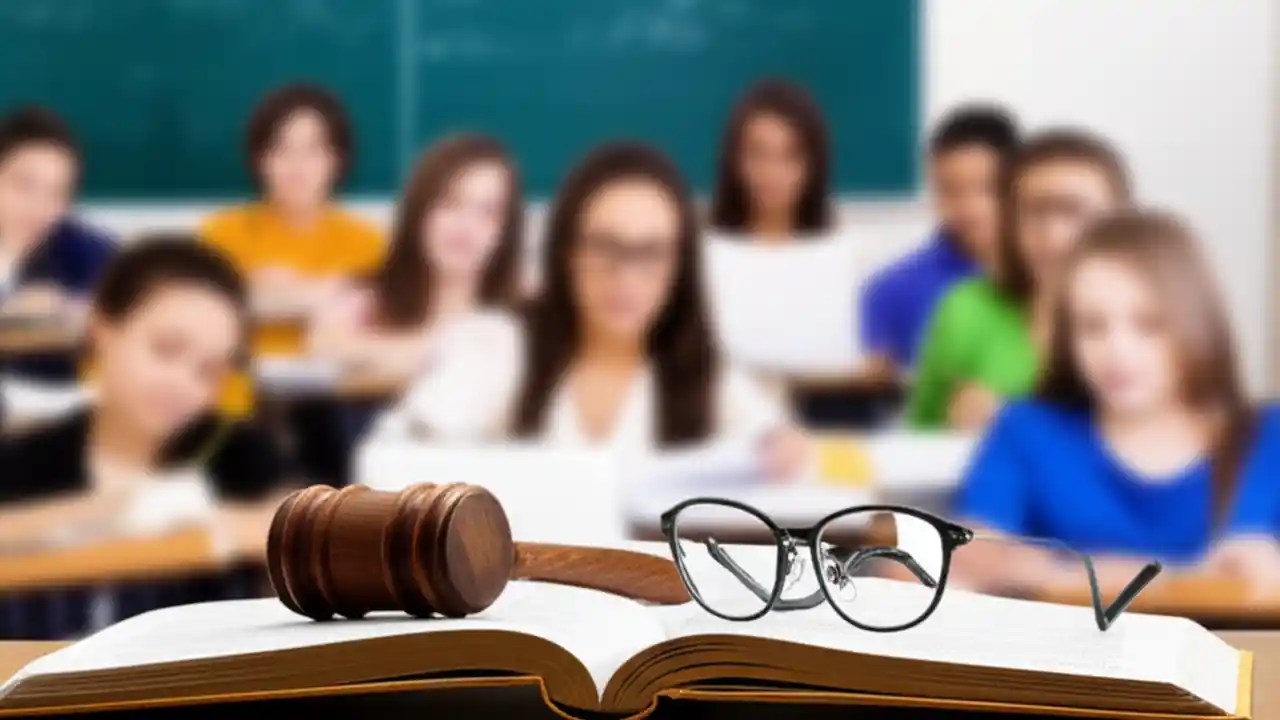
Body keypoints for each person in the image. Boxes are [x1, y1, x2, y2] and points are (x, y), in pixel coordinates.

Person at [383, 143, 805, 473]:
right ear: (566, 252)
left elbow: (782, 448)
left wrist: (782, 451)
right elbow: (398, 451)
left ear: (680, 268)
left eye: (651, 252)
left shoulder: (700, 368)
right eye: (604, 246)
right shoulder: (501, 344)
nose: (626, 276)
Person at [952, 211, 1280, 591]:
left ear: (1196, 323)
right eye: (1092, 327)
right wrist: (1183, 580)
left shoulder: (1267, 437)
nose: (1117, 350)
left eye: (1149, 325)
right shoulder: (1027, 430)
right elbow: (970, 554)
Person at [0, 237, 293, 637]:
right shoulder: (27, 459)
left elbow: (295, 526)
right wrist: (123, 511)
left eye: (208, 371)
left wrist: (224, 523)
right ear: (102, 328)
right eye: (165, 350)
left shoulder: (238, 454)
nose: (182, 384)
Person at [906, 129, 1131, 431]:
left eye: (1074, 211)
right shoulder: (966, 308)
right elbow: (919, 434)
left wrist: (1016, 423)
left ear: (1120, 221)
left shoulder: (1154, 317)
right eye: (1034, 212)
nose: (1053, 236)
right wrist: (955, 425)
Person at [307, 134, 522, 383]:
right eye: (450, 204)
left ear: (505, 232)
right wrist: (435, 348)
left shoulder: (520, 315)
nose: (466, 226)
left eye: (488, 212)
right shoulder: (364, 300)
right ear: (419, 210)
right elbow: (323, 346)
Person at [201, 83, 382, 355]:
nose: (297, 167)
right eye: (281, 149)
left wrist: (272, 294)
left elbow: (377, 323)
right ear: (259, 160)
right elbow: (200, 315)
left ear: (337, 160)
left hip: (336, 380)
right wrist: (320, 294)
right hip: (243, 380)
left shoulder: (369, 243)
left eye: (312, 151)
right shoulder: (220, 234)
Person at [859, 105, 1018, 371]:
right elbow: (874, 387)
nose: (970, 208)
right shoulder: (890, 289)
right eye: (949, 190)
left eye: (987, 188)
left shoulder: (1055, 281)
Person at [0, 107, 115, 379]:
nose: (39, 207)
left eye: (57, 193)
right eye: (24, 186)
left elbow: (142, 309)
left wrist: (65, 308)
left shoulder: (84, 250)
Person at [710, 79, 833, 240]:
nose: (771, 172)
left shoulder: (840, 249)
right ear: (734, 159)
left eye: (790, 156)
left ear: (813, 165)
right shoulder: (705, 247)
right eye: (758, 154)